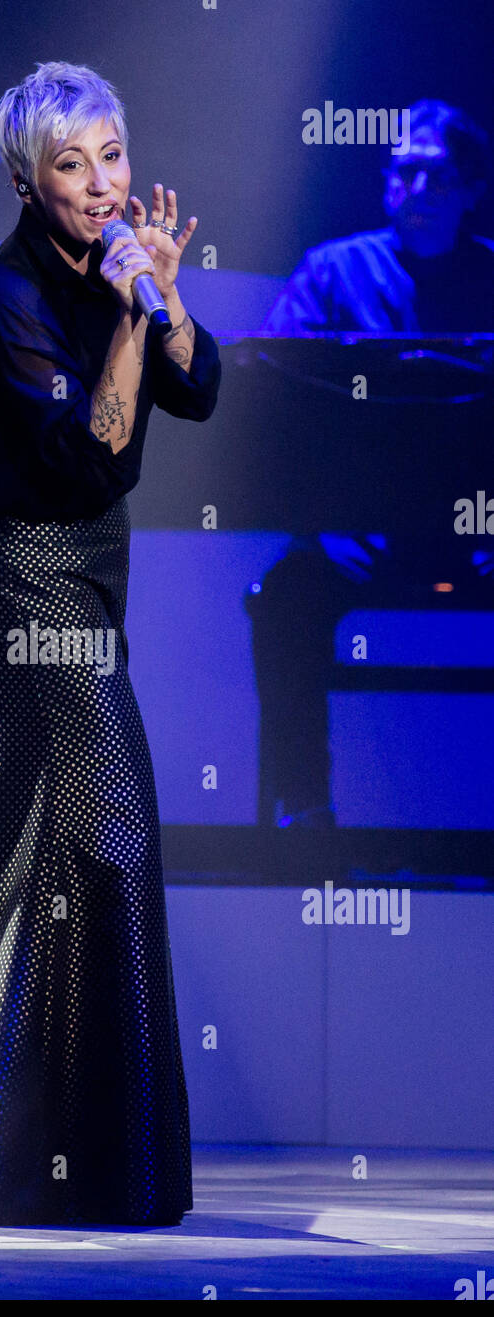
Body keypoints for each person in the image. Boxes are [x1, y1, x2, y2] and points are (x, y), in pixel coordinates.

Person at [0, 60, 221, 1227]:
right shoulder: (4, 298)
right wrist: (136, 316)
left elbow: (202, 389)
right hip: (1, 586)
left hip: (80, 576)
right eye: (70, 165)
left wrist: (162, 302)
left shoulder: (115, 268)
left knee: (80, 854)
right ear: (26, 182)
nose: (99, 184)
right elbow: (87, 451)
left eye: (112, 155)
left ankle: (59, 1168)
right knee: (69, 835)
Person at [247, 99, 494, 828]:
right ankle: (306, 816)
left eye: (437, 177)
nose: (416, 191)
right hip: (355, 541)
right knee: (286, 596)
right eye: (404, 174)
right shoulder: (331, 271)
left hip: (480, 541)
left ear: (471, 191)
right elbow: (266, 388)